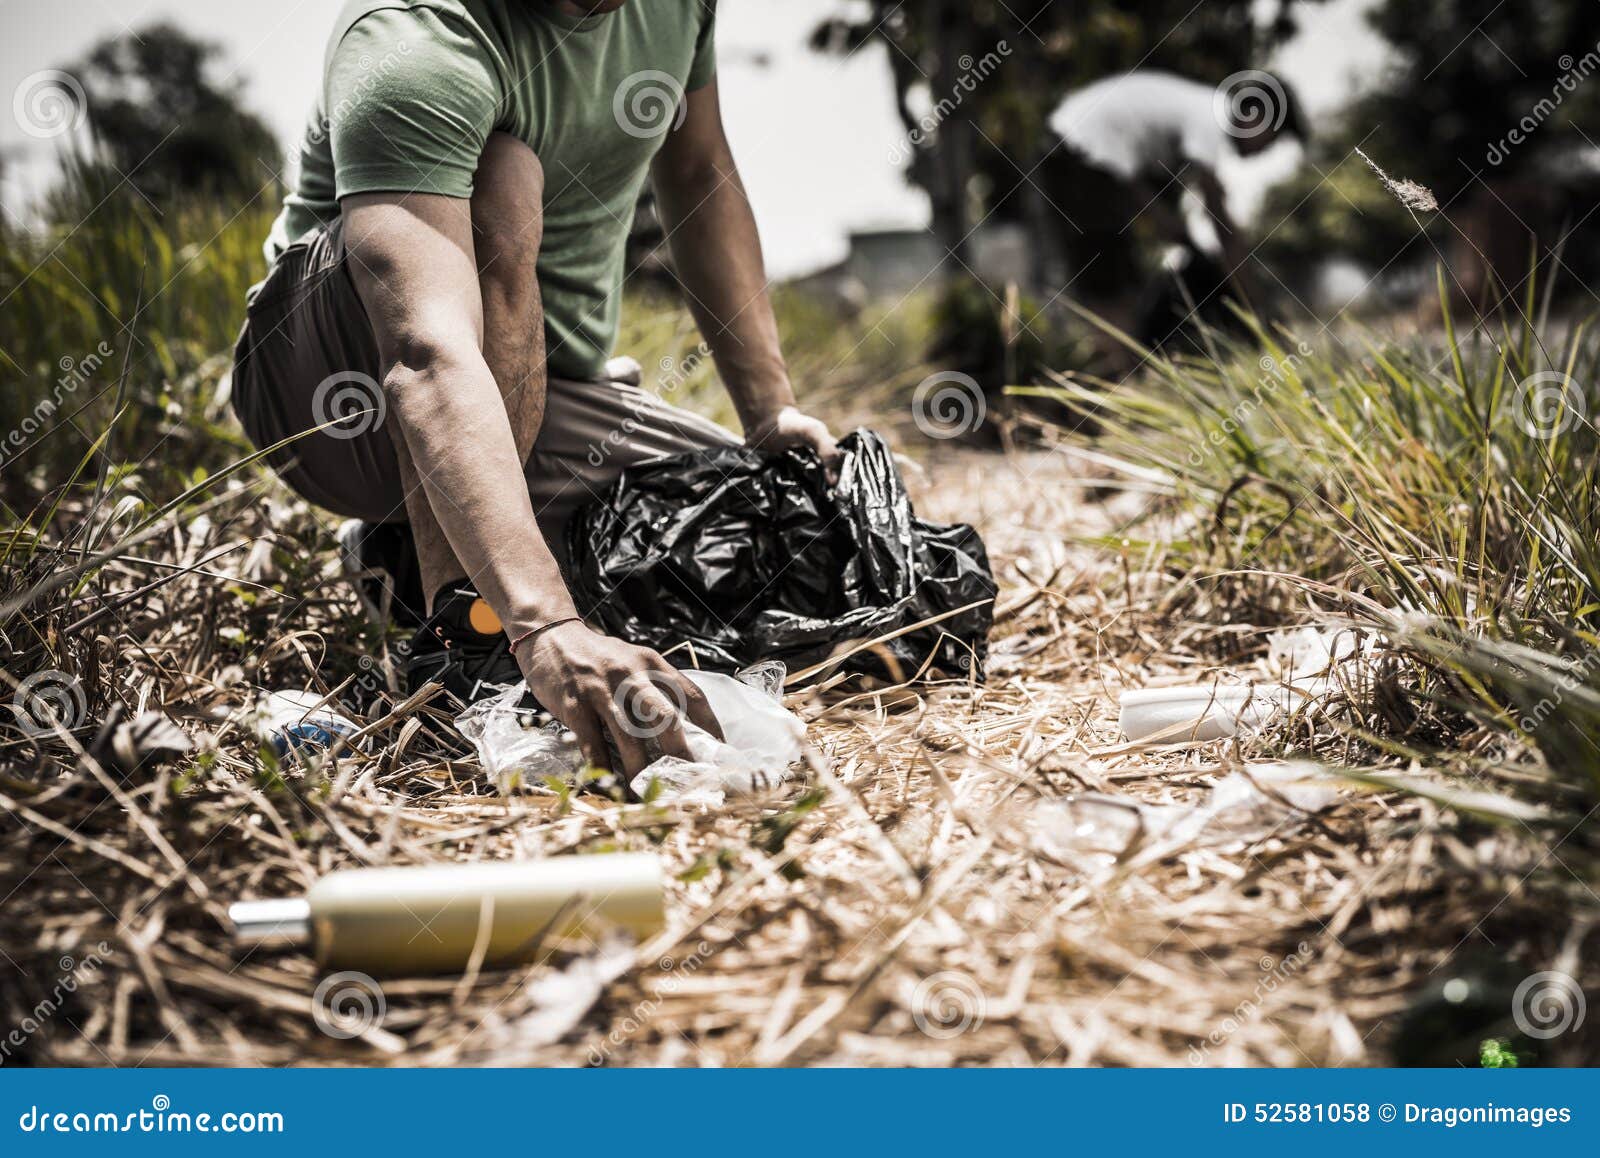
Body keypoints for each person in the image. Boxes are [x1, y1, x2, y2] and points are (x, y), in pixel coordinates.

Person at [230, 0, 841, 777]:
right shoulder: (419, 37)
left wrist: (770, 412)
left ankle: (398, 557)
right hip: (331, 399)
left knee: (776, 546)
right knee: (506, 170)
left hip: (542, 390)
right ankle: (464, 646)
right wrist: (542, 623)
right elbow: (425, 352)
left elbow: (699, 170)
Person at [1039, 69, 1306, 350]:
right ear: (1256, 114)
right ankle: (1115, 374)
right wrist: (1255, 307)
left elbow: (1147, 197)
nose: (1264, 151)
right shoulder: (1214, 115)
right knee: (1109, 278)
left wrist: (1172, 227)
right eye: (1272, 138)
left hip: (1072, 146)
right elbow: (1222, 226)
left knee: (1110, 275)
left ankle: (1114, 366)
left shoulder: (1199, 112)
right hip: (1081, 149)